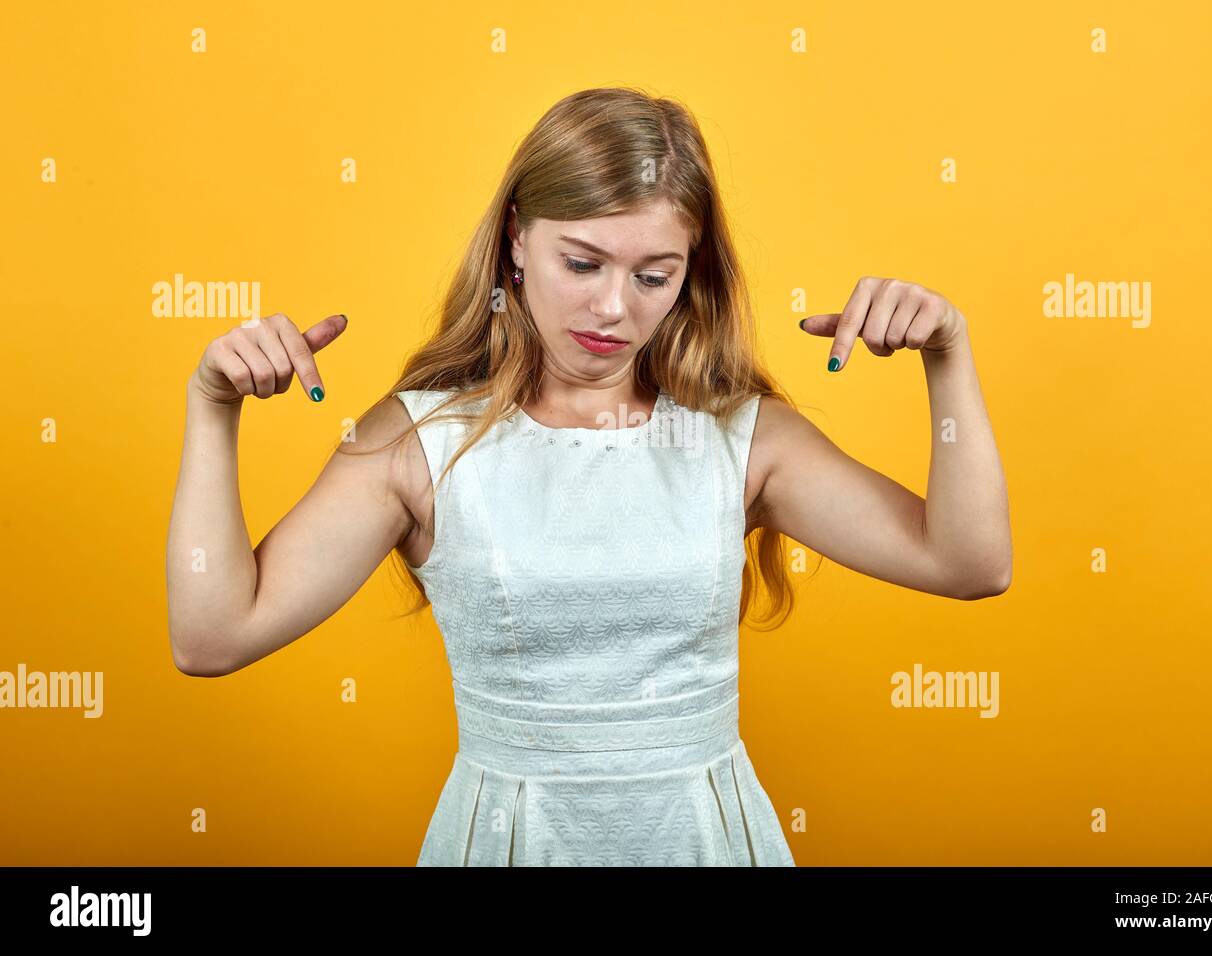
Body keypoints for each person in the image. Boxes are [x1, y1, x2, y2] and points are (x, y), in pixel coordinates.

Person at [165, 86, 1011, 866]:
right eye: (583, 263)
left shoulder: (739, 439)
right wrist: (213, 409)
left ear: (689, 276)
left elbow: (970, 564)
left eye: (654, 276)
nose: (615, 308)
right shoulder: (423, 443)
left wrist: (948, 354)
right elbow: (212, 638)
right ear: (516, 243)